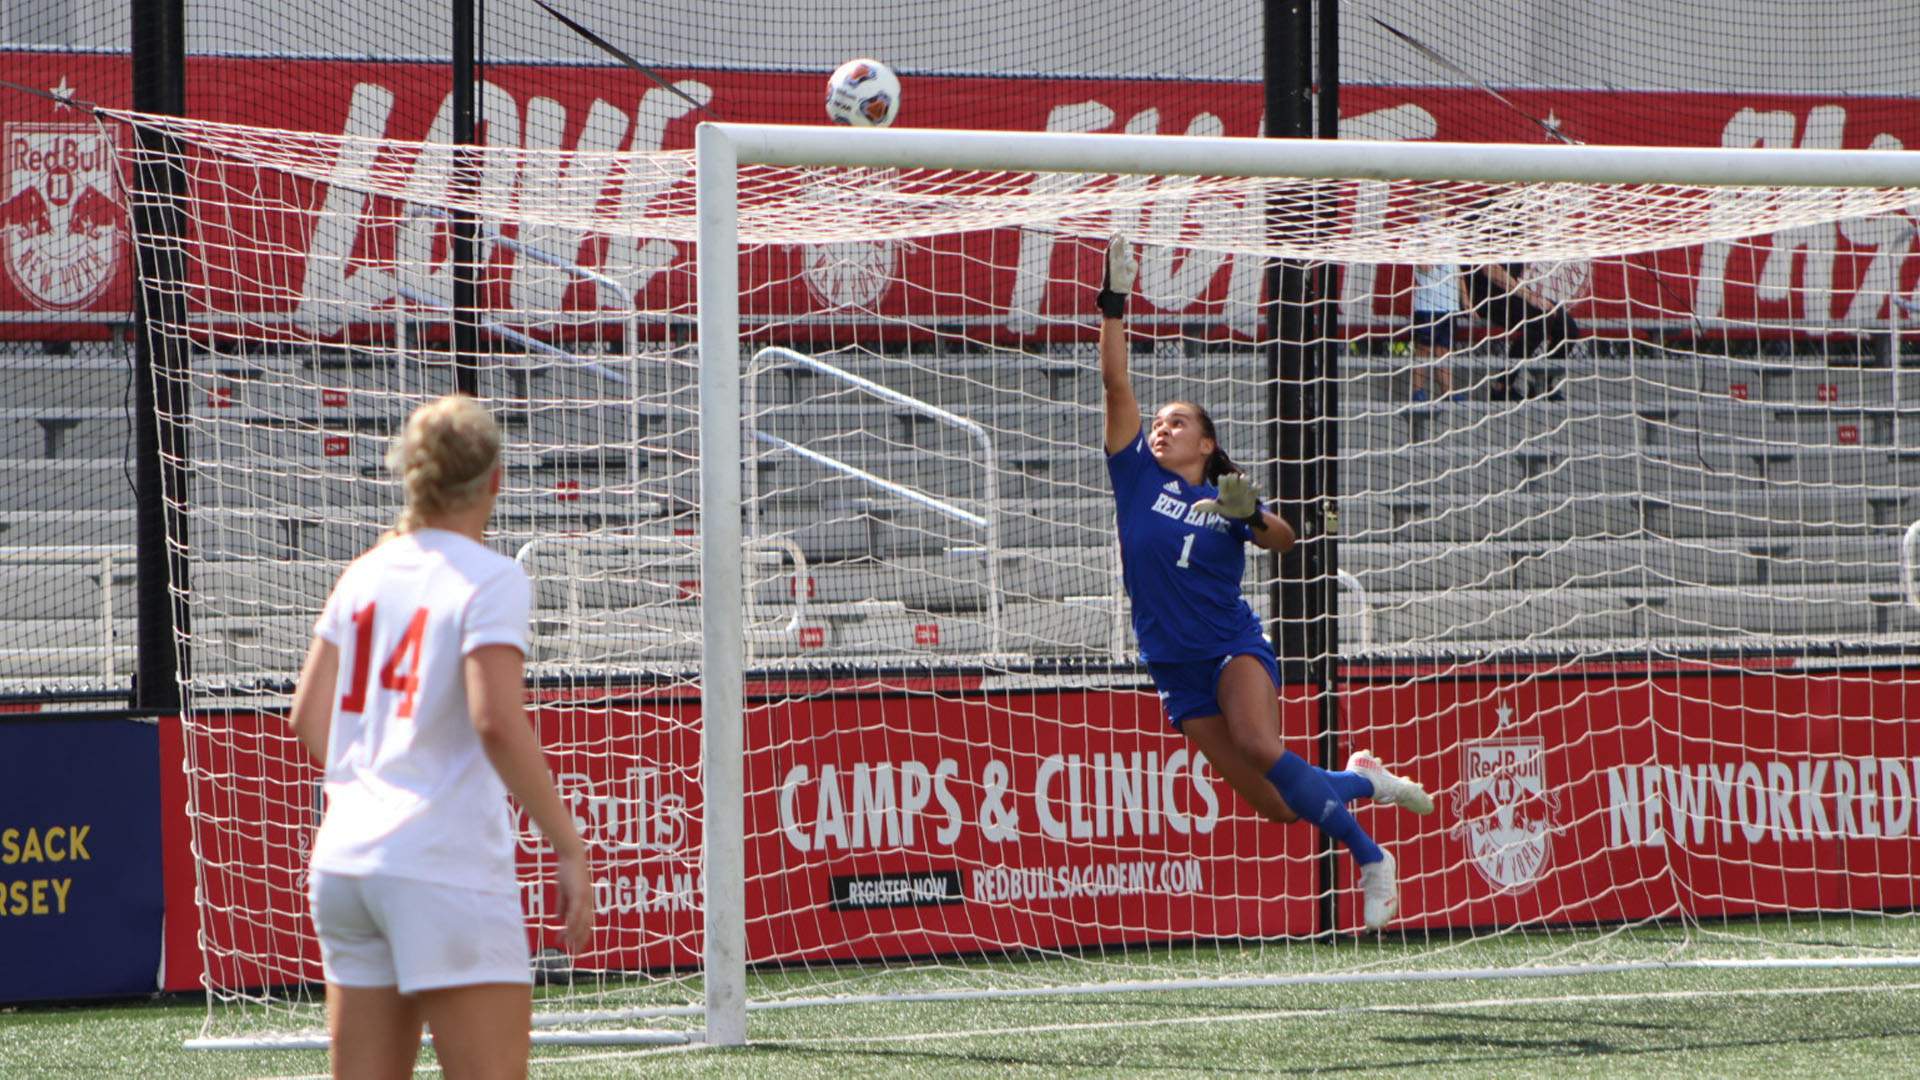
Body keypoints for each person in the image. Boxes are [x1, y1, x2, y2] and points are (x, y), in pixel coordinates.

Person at [1094, 235, 1434, 932]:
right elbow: (1115, 384)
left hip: (1230, 647)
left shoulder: (1229, 499)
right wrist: (1113, 303)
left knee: (1258, 745)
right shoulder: (1135, 476)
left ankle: (1371, 857)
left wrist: (1250, 516)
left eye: (1177, 422)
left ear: (1208, 443)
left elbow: (1285, 540)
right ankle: (1367, 780)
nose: (1161, 428)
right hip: (1172, 665)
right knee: (1278, 806)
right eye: (1158, 423)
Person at [287, 394, 594, 1080]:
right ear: (495, 480)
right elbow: (495, 721)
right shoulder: (492, 578)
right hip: (441, 865)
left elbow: (307, 716)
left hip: (345, 863)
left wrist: (377, 783)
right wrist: (569, 845)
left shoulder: (363, 573)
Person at [1467, 261, 1579, 400]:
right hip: (1485, 296)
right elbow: (1491, 270)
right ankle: (1501, 385)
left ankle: (1543, 382)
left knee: (1568, 328)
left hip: (1510, 294)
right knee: (1541, 318)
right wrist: (1529, 296)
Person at [1409, 259, 1463, 402]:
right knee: (1424, 348)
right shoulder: (1423, 238)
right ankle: (1417, 391)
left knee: (1444, 350)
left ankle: (1447, 390)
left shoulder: (1452, 241)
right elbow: (1424, 266)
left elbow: (1458, 271)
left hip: (1450, 306)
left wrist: (1466, 300)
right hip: (1428, 305)